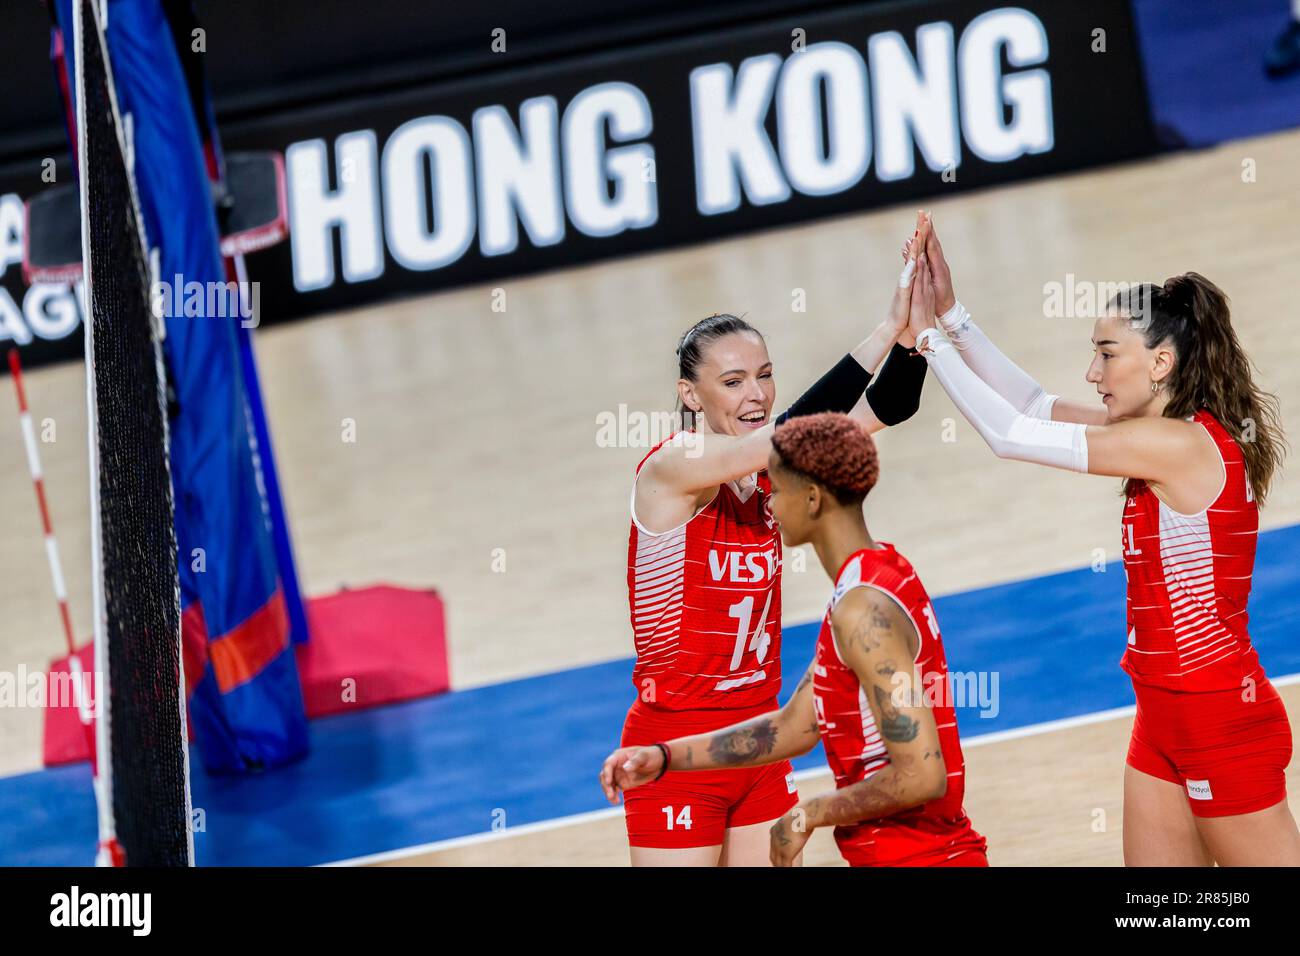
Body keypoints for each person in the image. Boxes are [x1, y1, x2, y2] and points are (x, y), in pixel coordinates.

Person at [908, 219, 1299, 866]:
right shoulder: (1155, 431)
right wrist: (952, 316)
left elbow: (1009, 436)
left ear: (1161, 363)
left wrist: (924, 337)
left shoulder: (1178, 445)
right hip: (1162, 718)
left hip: (1218, 720)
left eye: (1108, 353)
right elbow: (1032, 406)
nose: (1093, 371)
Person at [604, 412, 988, 867]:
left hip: (923, 858)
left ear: (811, 499)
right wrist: (664, 757)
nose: (770, 507)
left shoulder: (860, 611)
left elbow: (924, 775)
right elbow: (792, 728)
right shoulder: (876, 575)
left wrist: (807, 814)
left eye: (778, 491)